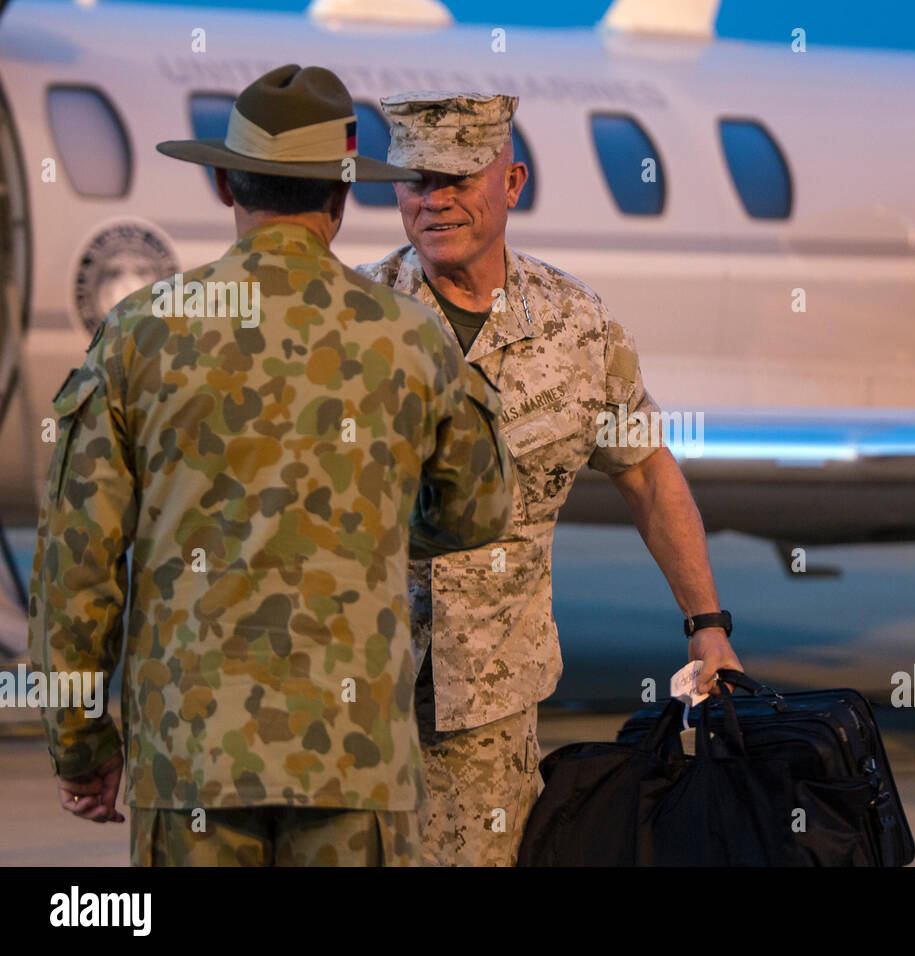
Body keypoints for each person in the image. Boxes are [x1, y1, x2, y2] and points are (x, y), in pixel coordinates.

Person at [27, 65, 515, 866]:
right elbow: (479, 513)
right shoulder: (410, 337)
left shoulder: (141, 332)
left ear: (224, 182)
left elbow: (74, 570)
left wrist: (80, 744)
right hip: (355, 767)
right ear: (344, 191)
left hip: (191, 764)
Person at [358, 91, 743, 866]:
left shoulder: (577, 326)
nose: (436, 200)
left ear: (513, 182)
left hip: (491, 711)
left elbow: (646, 475)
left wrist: (709, 625)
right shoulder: (352, 317)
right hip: (357, 694)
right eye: (415, 180)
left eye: (461, 178)